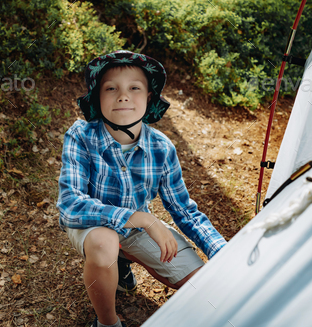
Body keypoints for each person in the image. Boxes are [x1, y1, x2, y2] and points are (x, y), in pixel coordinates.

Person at [57, 50, 227, 327]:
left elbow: (184, 210)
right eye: (111, 88)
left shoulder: (161, 147)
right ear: (96, 97)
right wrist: (145, 219)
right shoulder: (81, 135)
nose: (123, 96)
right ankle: (107, 322)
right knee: (104, 243)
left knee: (202, 284)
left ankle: (121, 262)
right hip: (91, 225)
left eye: (134, 88)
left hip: (135, 230)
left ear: (149, 98)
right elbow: (70, 205)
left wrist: (222, 253)